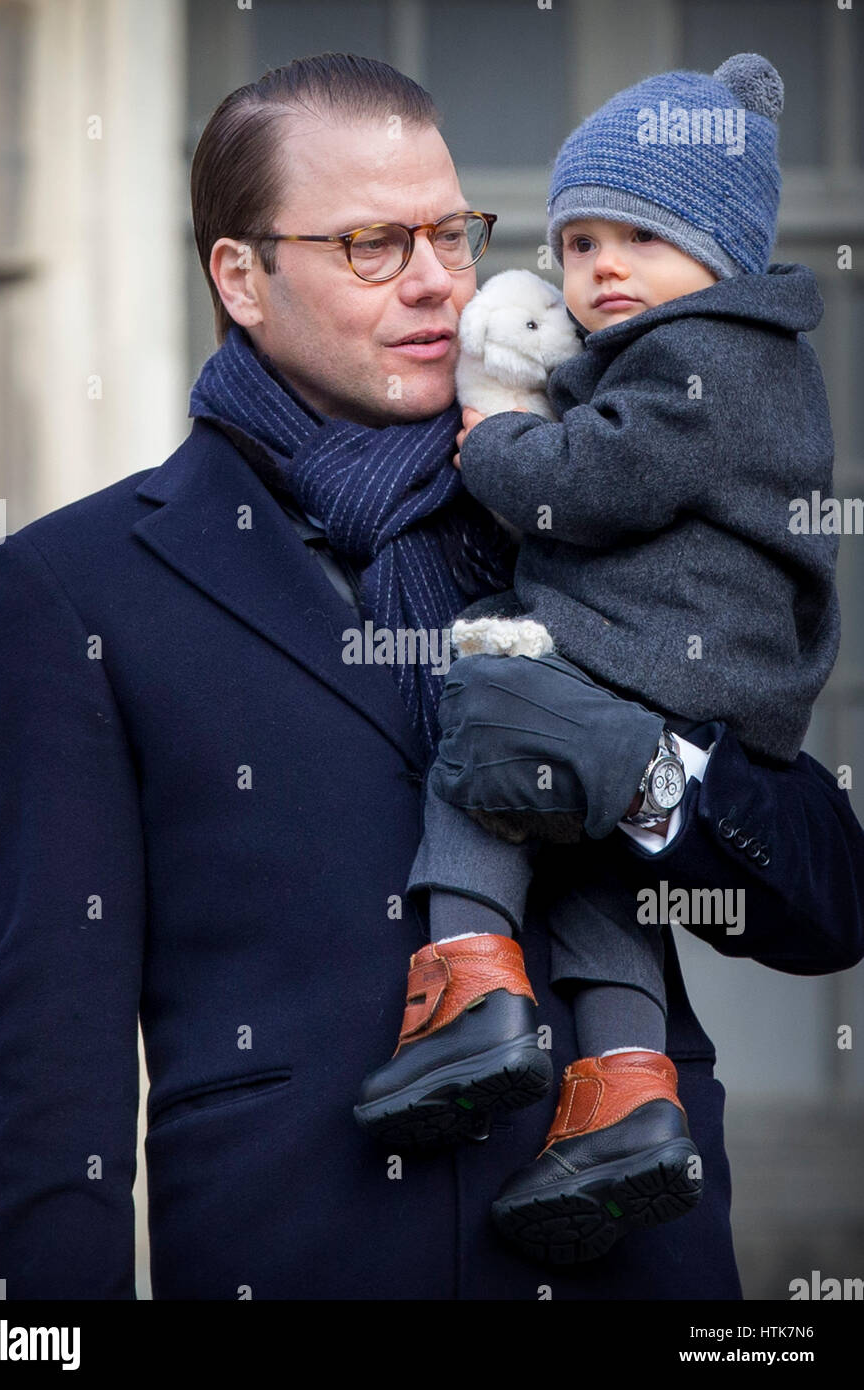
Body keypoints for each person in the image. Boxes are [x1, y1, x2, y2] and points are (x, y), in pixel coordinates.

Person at [0, 53, 864, 1301]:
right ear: (242, 276)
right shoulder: (76, 587)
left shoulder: (587, 500)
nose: (441, 279)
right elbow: (45, 1068)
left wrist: (646, 775)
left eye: (451, 231)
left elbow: (824, 900)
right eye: (375, 243)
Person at [355, 54, 843, 1267]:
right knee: (589, 862)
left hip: (669, 654)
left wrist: (502, 442)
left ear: (721, 253)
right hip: (689, 653)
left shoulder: (711, 355)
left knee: (487, 722)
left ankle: (467, 981)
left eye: (638, 236)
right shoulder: (720, 354)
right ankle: (625, 1092)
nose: (599, 268)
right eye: (575, 244)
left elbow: (590, 482)